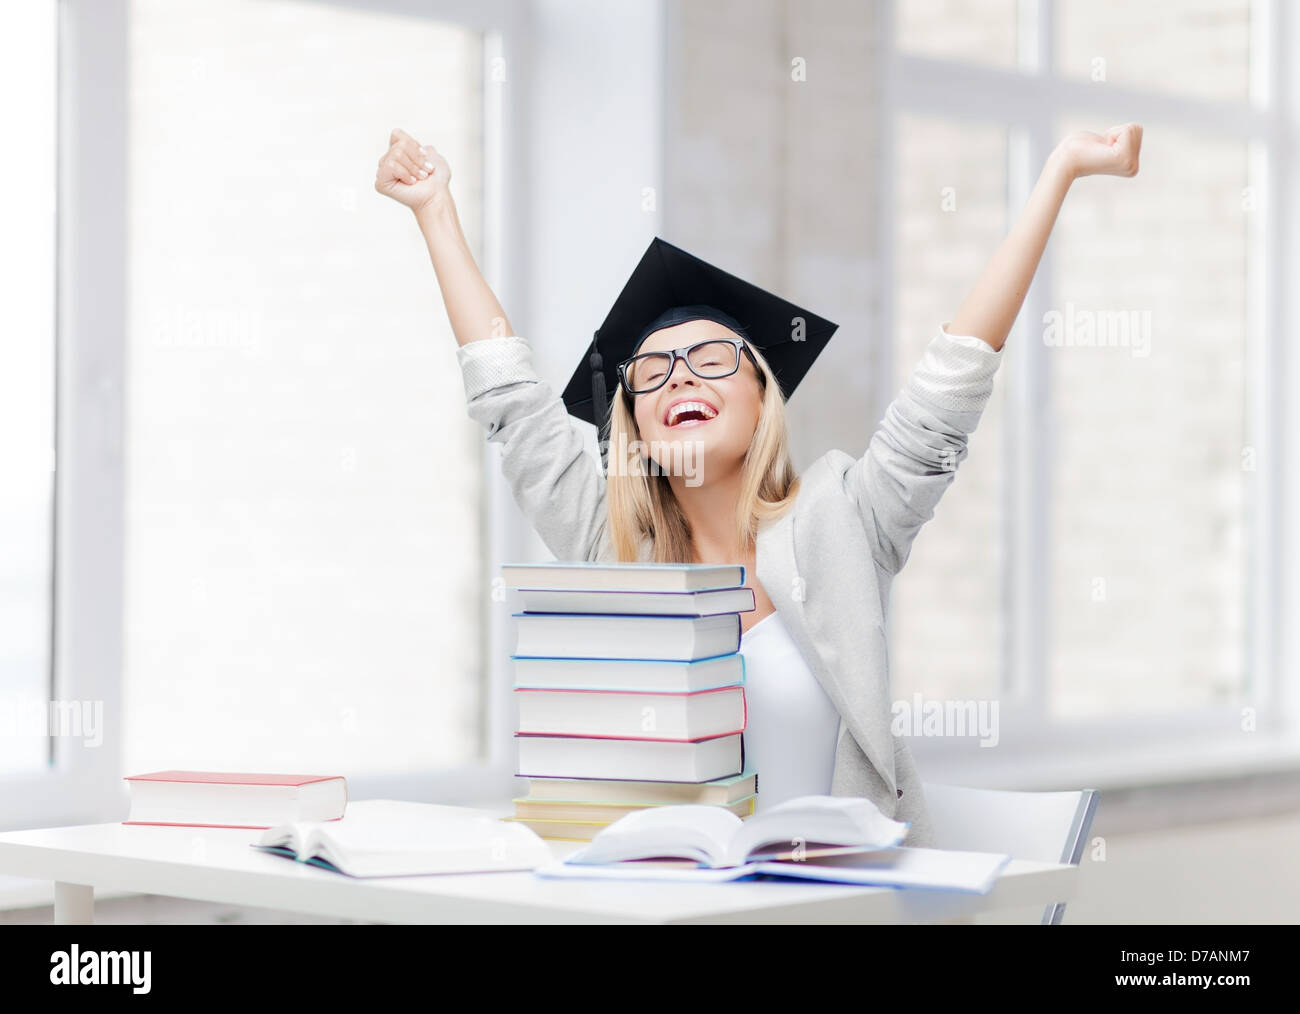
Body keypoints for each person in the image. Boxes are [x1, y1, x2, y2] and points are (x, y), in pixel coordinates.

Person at [374, 122, 1143, 843]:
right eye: (652, 370)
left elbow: (949, 391)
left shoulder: (845, 519)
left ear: (761, 396)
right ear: (633, 423)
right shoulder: (610, 544)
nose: (680, 378)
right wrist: (436, 211)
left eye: (712, 358)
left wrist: (1059, 173)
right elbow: (514, 407)